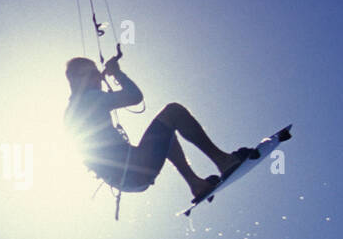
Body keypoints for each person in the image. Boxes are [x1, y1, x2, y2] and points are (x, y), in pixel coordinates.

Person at [62, 54, 253, 206]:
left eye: (99, 74)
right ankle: (224, 161)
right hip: (131, 168)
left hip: (127, 179)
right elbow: (135, 97)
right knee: (173, 112)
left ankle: (196, 184)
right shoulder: (89, 99)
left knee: (166, 133)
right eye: (94, 74)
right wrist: (117, 73)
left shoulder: (71, 112)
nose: (99, 79)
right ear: (76, 78)